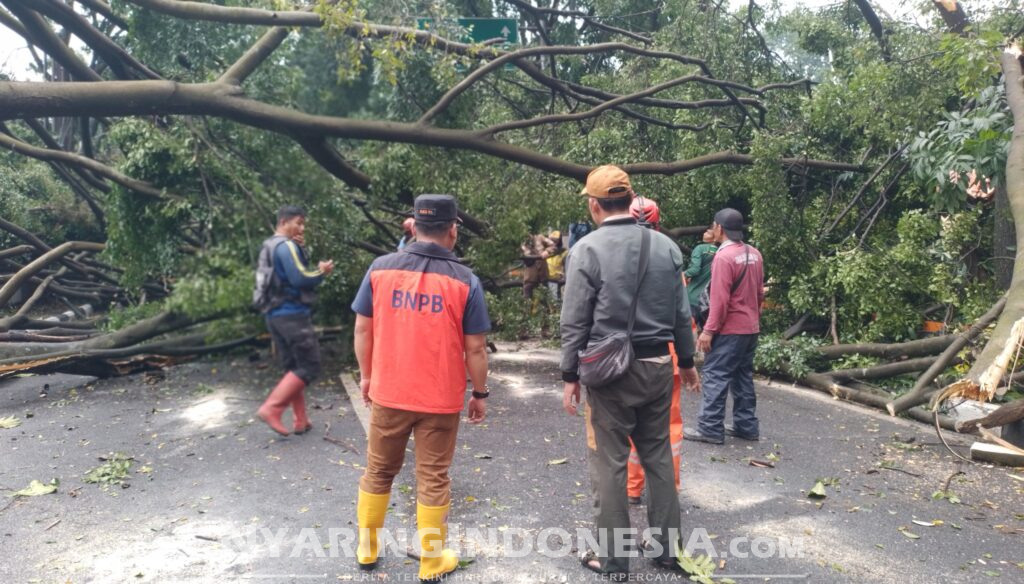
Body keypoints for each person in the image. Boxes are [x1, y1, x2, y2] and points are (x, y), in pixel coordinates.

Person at [560, 165, 699, 577]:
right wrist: (687, 362)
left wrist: (569, 375)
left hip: (610, 372)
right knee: (657, 455)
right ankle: (667, 550)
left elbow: (575, 321)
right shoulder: (666, 248)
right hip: (658, 366)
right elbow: (682, 315)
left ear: (594, 205)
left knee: (610, 462)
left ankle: (614, 559)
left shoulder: (586, 250)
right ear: (631, 198)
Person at [351, 194, 492, 581]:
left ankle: (367, 548)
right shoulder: (465, 280)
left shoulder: (380, 269)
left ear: (413, 226)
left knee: (379, 470)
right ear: (453, 230)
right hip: (439, 399)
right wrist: (479, 393)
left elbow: (363, 329)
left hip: (389, 393)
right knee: (432, 476)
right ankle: (431, 562)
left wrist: (367, 376)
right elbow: (476, 348)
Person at [623, 196, 688, 506]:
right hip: (667, 358)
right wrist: (687, 360)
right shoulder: (670, 254)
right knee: (668, 427)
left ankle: (631, 488)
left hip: (624, 358)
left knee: (627, 424)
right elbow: (683, 315)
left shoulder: (614, 253)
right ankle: (667, 489)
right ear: (658, 223)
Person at [684, 208, 765, 444]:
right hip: (750, 328)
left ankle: (709, 428)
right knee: (742, 376)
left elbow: (720, 299)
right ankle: (746, 426)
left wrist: (708, 331)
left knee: (715, 374)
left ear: (719, 228)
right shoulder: (755, 254)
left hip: (730, 329)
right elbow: (759, 293)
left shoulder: (724, 257)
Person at [256, 206, 334, 436]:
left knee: (293, 367)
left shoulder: (269, 245)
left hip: (274, 314)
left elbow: (286, 274)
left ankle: (301, 420)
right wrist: (322, 271)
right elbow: (300, 278)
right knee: (310, 366)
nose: (302, 228)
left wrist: (301, 249)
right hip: (292, 314)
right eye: (298, 223)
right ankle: (272, 408)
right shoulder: (286, 246)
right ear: (284, 222)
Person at [684, 227, 717, 320]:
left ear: (715, 238)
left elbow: (695, 269)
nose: (704, 233)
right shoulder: (719, 251)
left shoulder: (700, 248)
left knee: (691, 325)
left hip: (693, 297)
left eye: (708, 233)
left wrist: (683, 274)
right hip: (708, 300)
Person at [521, 231, 556, 299]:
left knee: (544, 296)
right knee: (527, 294)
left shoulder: (540, 237)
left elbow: (553, 245)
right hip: (530, 275)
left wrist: (547, 251)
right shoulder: (522, 242)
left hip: (543, 274)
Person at [545, 230, 567, 301]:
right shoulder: (545, 251)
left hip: (556, 279)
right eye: (551, 240)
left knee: (554, 299)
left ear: (559, 241)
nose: (553, 242)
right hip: (545, 278)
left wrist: (564, 275)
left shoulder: (563, 252)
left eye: (555, 240)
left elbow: (567, 267)